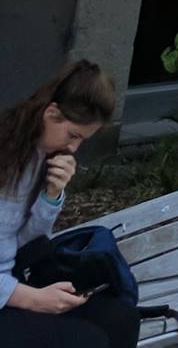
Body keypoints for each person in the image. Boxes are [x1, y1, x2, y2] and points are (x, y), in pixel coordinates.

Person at [0, 60, 136, 348]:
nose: (73, 148)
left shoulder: (39, 155)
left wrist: (51, 194)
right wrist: (33, 299)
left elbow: (24, 243)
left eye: (82, 140)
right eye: (73, 135)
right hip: (7, 293)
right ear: (51, 113)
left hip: (10, 283)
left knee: (120, 318)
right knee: (88, 342)